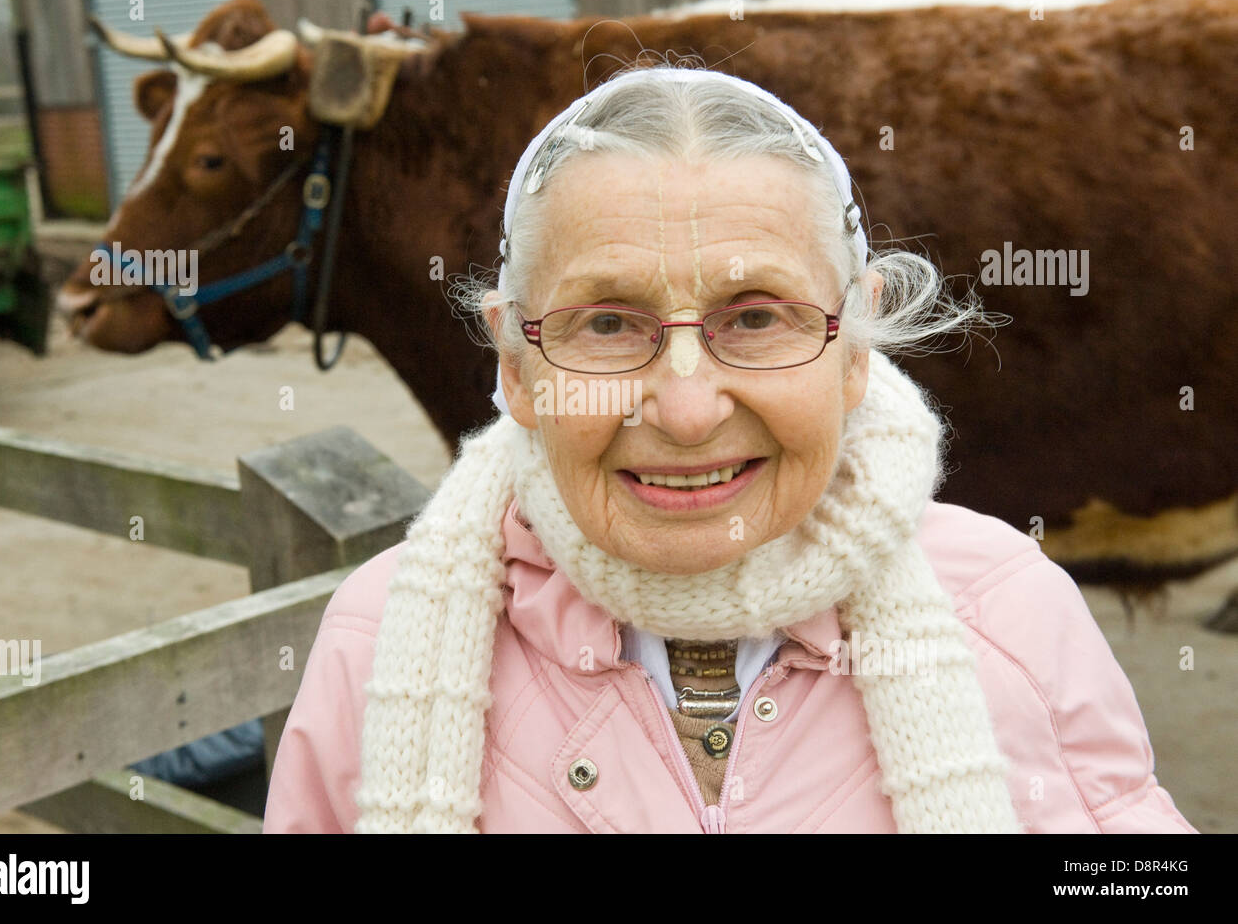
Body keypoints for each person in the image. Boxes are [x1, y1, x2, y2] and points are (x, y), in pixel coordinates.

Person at [262, 66, 1196, 833]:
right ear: (515, 365)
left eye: (754, 316)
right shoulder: (379, 640)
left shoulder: (1009, 611)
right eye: (608, 322)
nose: (687, 408)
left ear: (852, 353)